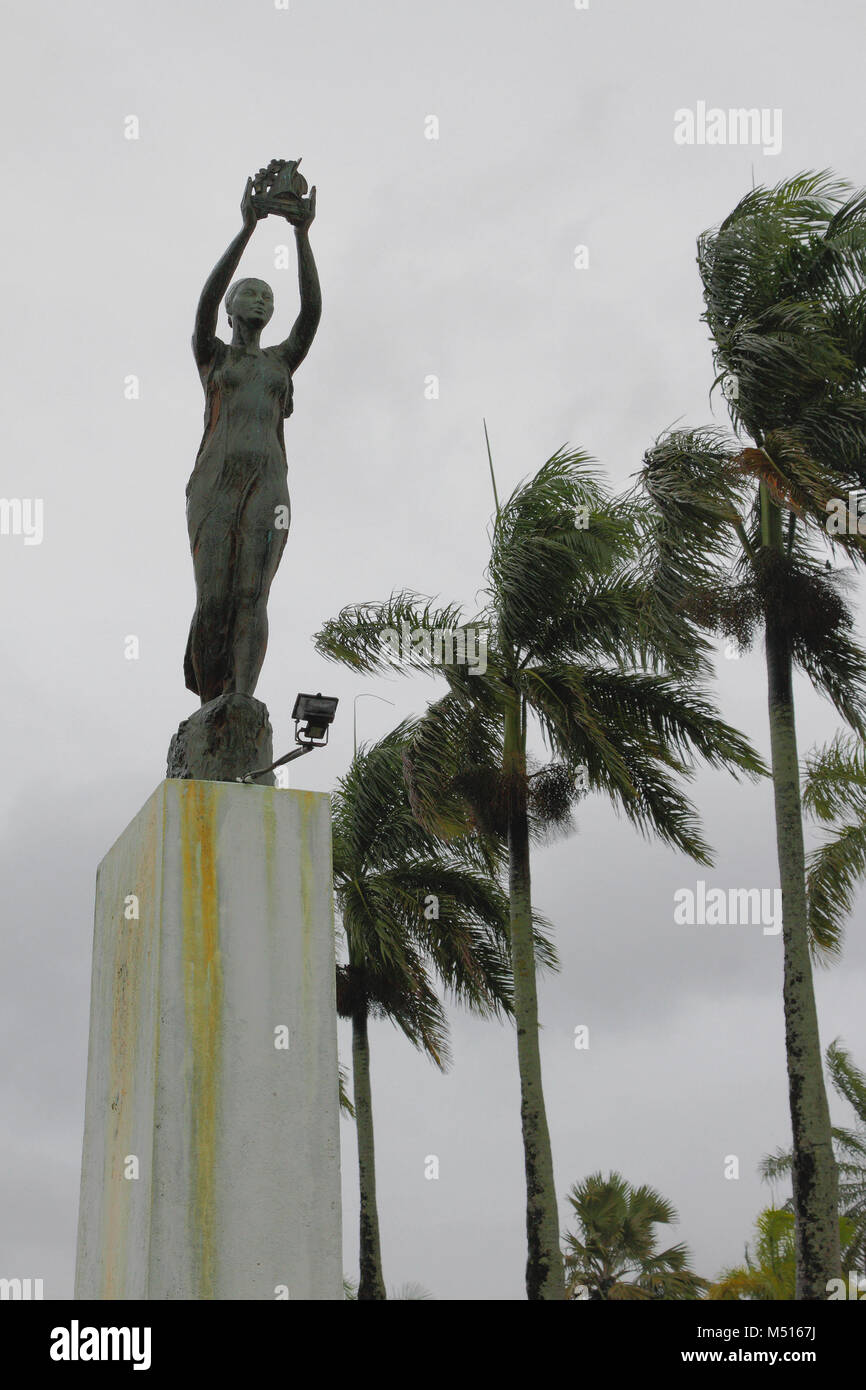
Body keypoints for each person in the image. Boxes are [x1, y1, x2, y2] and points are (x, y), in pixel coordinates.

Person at [183, 172, 321, 703]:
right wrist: (247, 229)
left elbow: (312, 312)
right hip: (214, 485)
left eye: (267, 296)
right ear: (232, 308)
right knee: (213, 599)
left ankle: (241, 699)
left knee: (252, 596)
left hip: (269, 486)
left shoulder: (281, 361)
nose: (260, 301)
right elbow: (204, 300)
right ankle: (209, 704)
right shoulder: (213, 355)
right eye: (250, 294)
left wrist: (301, 235)